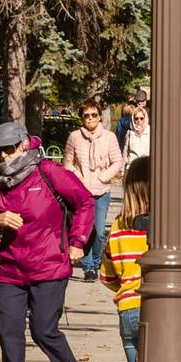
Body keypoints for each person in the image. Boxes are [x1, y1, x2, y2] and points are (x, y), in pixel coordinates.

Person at [0, 120, 96, 362]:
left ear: (24, 145)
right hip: (12, 268)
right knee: (8, 331)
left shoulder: (49, 173)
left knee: (43, 329)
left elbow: (85, 202)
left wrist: (78, 241)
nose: (2, 157)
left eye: (8, 150)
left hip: (49, 264)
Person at [98, 156, 152, 362]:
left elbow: (106, 276)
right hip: (153, 311)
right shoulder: (165, 226)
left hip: (127, 310)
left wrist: (126, 284)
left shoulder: (119, 225)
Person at [66, 96, 126, 282]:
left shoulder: (109, 137)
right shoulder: (74, 137)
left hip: (102, 190)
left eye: (94, 114)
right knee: (85, 231)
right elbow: (67, 163)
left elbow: (117, 161)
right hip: (82, 192)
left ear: (100, 116)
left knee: (99, 232)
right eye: (86, 115)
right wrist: (79, 179)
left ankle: (97, 260)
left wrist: (103, 176)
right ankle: (88, 267)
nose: (90, 118)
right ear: (82, 118)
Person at [123, 98, 152, 163]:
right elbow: (125, 151)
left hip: (146, 166)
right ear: (133, 119)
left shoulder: (150, 132)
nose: (139, 120)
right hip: (132, 166)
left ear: (145, 118)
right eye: (136, 118)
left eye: (141, 118)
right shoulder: (130, 133)